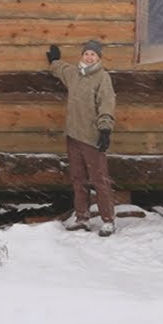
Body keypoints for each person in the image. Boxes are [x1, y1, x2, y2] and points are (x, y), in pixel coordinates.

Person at [47, 39, 117, 236]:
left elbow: (106, 104)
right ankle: (82, 218)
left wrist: (105, 129)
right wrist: (54, 62)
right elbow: (61, 70)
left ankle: (108, 220)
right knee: (78, 179)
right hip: (73, 135)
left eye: (93, 54)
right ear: (82, 56)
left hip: (92, 137)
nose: (89, 57)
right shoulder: (74, 74)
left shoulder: (103, 78)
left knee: (99, 180)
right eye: (86, 54)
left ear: (98, 58)